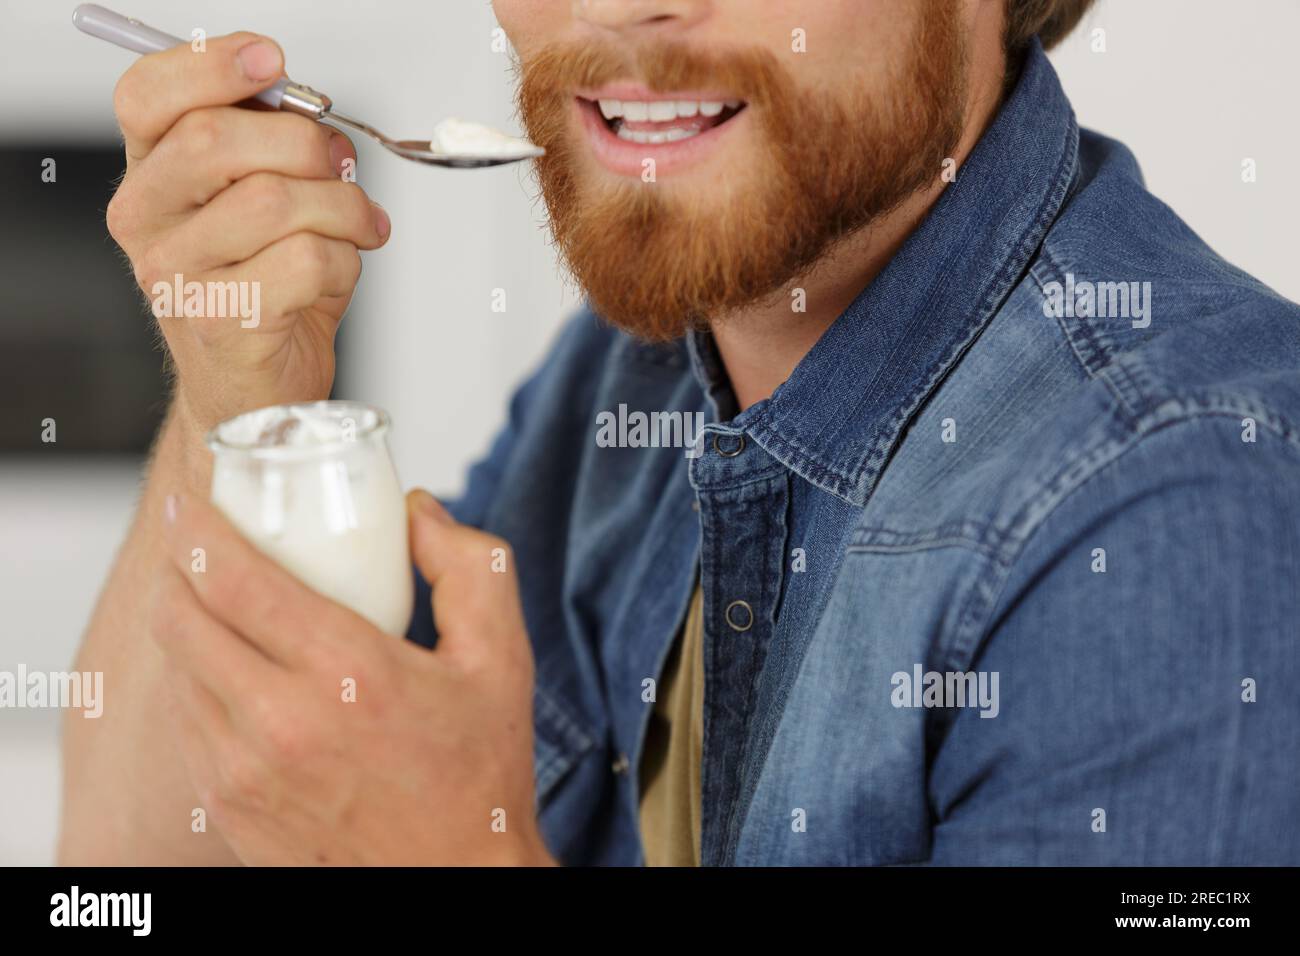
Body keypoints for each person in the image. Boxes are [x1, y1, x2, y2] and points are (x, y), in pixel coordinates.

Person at [60, 0, 1300, 866]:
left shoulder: (1183, 515)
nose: (620, 7)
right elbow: (130, 874)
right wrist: (246, 401)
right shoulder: (639, 367)